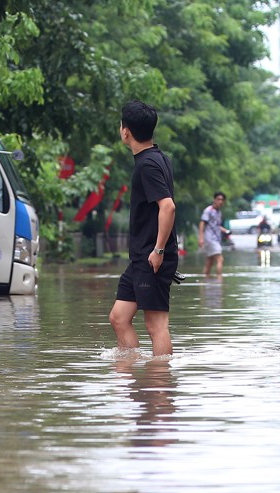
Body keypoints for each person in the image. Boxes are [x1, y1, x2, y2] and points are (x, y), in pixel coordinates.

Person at [109, 100, 177, 358]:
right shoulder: (158, 158)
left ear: (125, 131)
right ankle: (135, 379)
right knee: (118, 317)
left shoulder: (148, 164)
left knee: (156, 325)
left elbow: (168, 207)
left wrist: (158, 250)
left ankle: (160, 389)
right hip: (141, 257)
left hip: (153, 256)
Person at [199, 191, 230, 277]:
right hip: (210, 239)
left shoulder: (219, 212)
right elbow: (202, 223)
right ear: (214, 200)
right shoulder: (208, 210)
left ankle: (205, 281)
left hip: (216, 238)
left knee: (209, 261)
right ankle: (219, 281)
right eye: (218, 199)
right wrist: (201, 238)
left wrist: (225, 231)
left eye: (222, 200)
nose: (220, 201)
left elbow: (217, 225)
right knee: (220, 259)